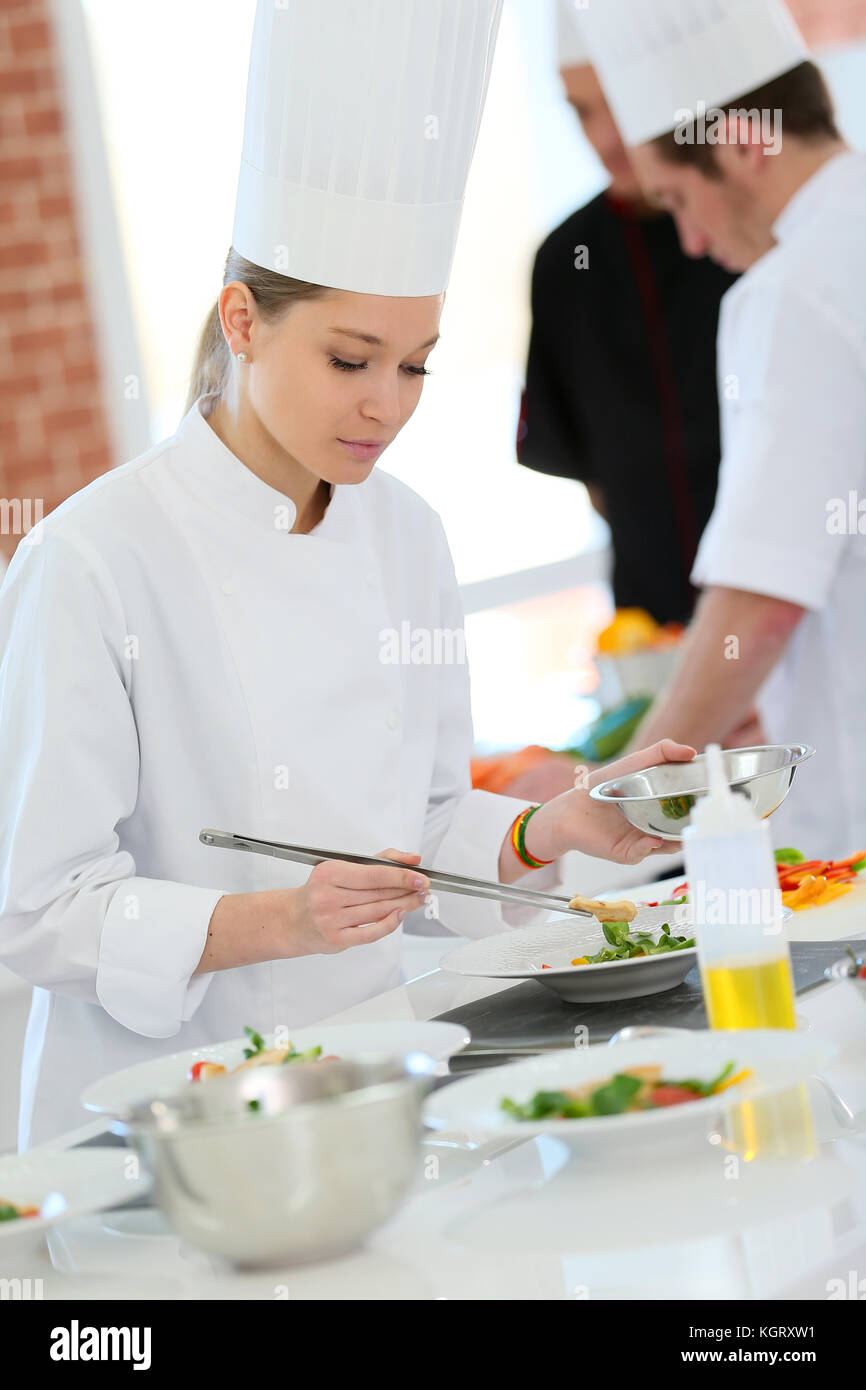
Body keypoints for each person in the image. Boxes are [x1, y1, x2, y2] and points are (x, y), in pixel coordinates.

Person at [0, 0, 694, 1148]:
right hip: (172, 1118)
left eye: (415, 364)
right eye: (349, 359)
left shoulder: (407, 532)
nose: (387, 403)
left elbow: (420, 818)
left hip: (390, 1068)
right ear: (244, 322)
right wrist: (271, 919)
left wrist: (549, 827)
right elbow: (33, 906)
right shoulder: (92, 558)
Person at [582, 0, 866, 857]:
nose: (696, 243)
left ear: (746, 141)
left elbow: (762, 596)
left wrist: (626, 787)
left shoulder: (793, 292)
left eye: (678, 201)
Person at [517, 0, 736, 628]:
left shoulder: (745, 229)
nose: (604, 137)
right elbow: (588, 472)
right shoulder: (565, 262)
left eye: (616, 98)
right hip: (650, 628)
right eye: (581, 111)